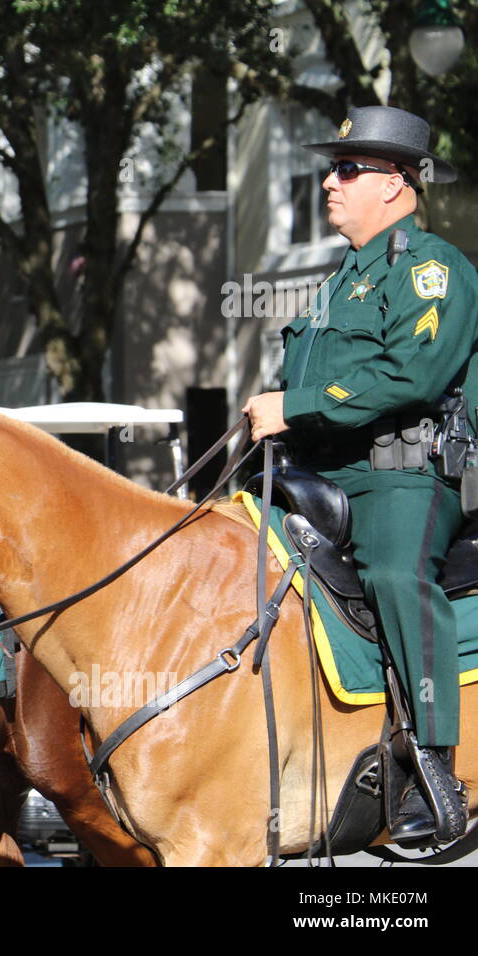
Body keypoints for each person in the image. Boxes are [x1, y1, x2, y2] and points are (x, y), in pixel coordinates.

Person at [244, 106, 478, 845]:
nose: (329, 183)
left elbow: (413, 374)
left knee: (393, 577)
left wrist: (296, 404)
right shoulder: (339, 282)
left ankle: (436, 771)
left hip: (401, 476)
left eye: (348, 169)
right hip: (319, 472)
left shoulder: (433, 268)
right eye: (332, 167)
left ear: (399, 184)